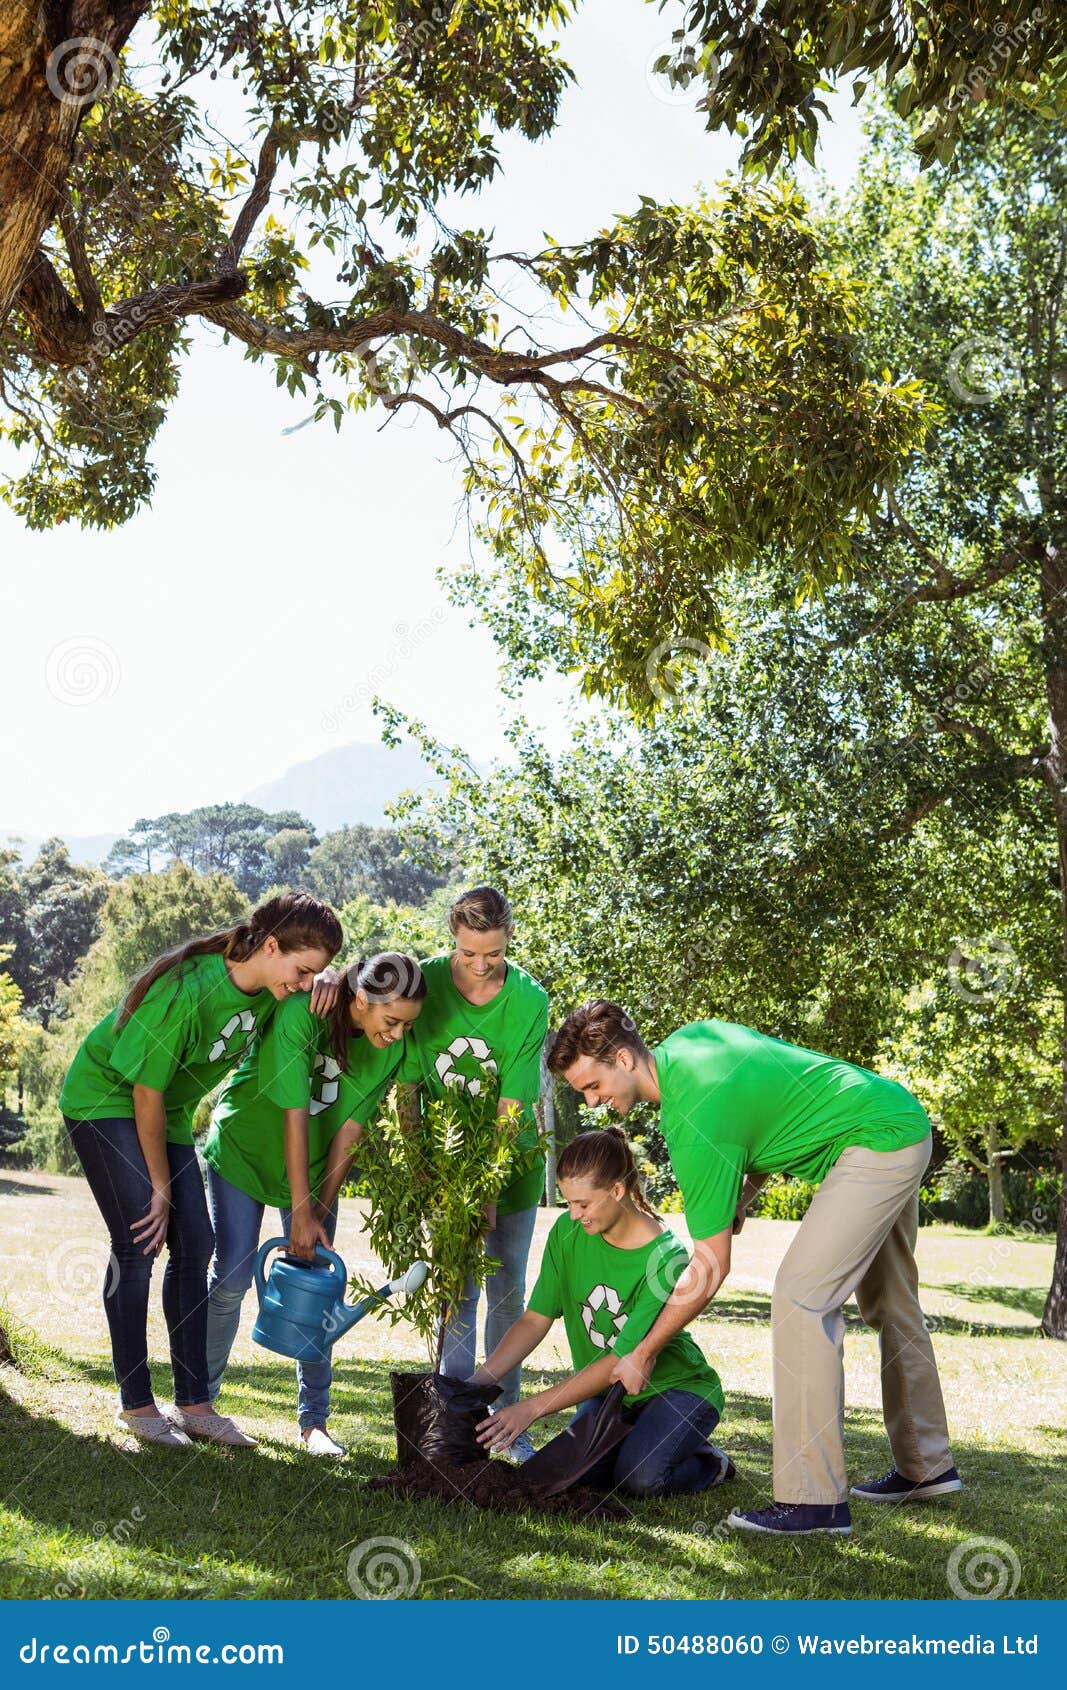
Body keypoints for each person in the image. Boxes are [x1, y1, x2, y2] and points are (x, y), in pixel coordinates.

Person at [548, 1003, 960, 1537]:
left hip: (873, 1145)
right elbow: (771, 1103)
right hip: (897, 1119)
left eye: (592, 1084)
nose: (591, 1101)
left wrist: (642, 1351)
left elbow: (710, 1265)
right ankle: (927, 1468)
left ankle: (814, 1502)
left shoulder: (693, 1118)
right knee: (892, 1301)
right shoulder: (693, 1043)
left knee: (801, 1297)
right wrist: (746, 1191)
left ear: (623, 1058)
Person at [59, 892, 342, 1448]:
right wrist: (160, 1188)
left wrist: (335, 981)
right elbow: (145, 1093)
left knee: (198, 1243)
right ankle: (136, 1403)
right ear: (269, 945)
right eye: (303, 969)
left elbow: (358, 991)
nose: (307, 982)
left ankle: (194, 1404)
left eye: (317, 974)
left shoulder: (272, 990)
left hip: (164, 1113)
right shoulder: (187, 989)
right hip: (106, 1100)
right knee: (140, 1241)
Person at [201, 953, 425, 1455]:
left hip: (316, 1169)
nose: (397, 1034)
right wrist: (300, 1211)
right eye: (391, 1021)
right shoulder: (304, 1012)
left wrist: (319, 1210)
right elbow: (295, 1115)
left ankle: (314, 1423)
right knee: (234, 1274)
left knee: (319, 1285)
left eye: (408, 1025)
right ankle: (201, 1404)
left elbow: (350, 1132)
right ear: (362, 1000)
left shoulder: (390, 1047)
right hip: (245, 1152)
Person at [470, 1127, 731, 1498]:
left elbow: (620, 1359)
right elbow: (534, 1319)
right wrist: (480, 1382)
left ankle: (710, 1462)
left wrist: (530, 1409)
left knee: (639, 1478)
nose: (574, 1215)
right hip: (610, 1394)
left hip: (677, 1389)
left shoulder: (666, 1256)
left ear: (617, 1191)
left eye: (583, 1204)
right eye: (568, 1203)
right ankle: (644, 1441)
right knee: (576, 1476)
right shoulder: (566, 1233)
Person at [400, 886, 549, 1461]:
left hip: (511, 1172)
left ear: (508, 937)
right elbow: (409, 1087)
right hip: (444, 1165)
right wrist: (422, 1171)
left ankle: (507, 1423)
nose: (482, 966)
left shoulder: (528, 999)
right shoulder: (427, 983)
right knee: (456, 1289)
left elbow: (514, 1109)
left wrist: (485, 1188)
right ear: (452, 940)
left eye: (494, 953)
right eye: (469, 954)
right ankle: (451, 1425)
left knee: (506, 1291)